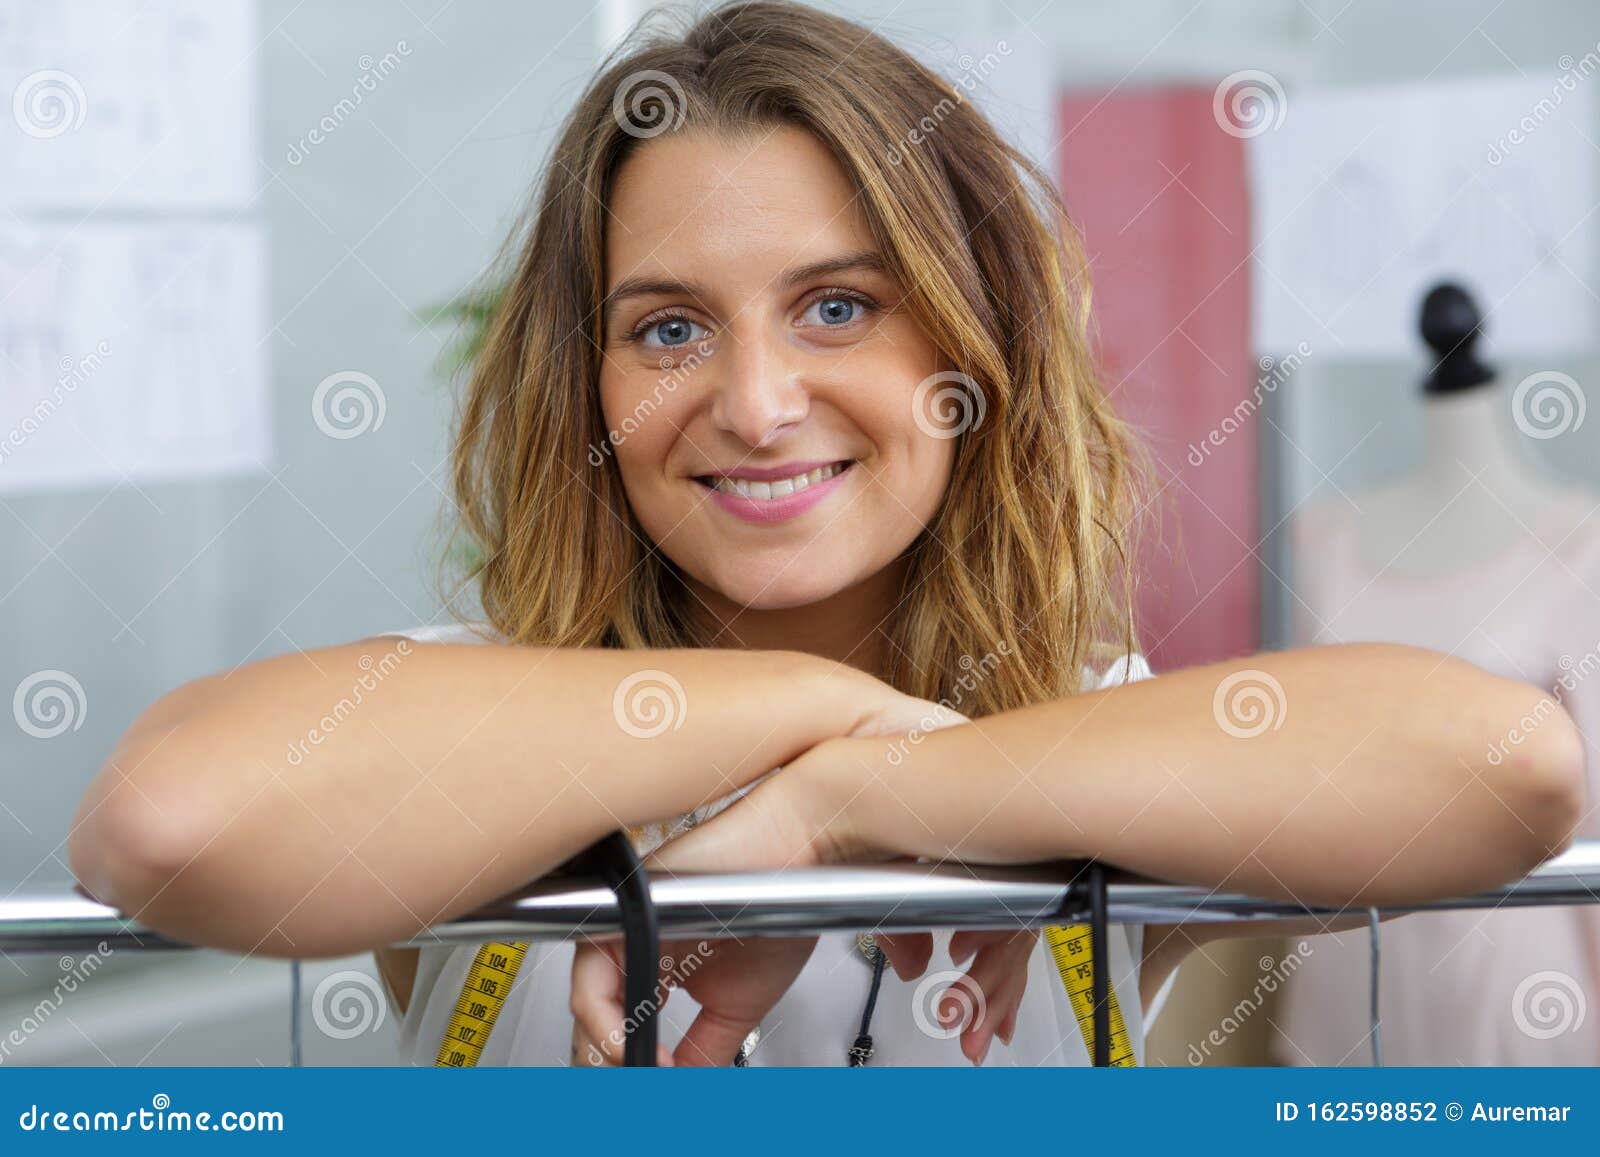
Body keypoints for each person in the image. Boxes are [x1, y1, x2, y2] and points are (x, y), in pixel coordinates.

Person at [67, 0, 1585, 1068]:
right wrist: (826, 712)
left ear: (969, 353)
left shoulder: (1078, 750)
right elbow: (166, 823)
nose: (755, 402)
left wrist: (853, 803)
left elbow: (1505, 768)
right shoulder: (482, 739)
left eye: (839, 306)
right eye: (668, 329)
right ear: (586, 385)